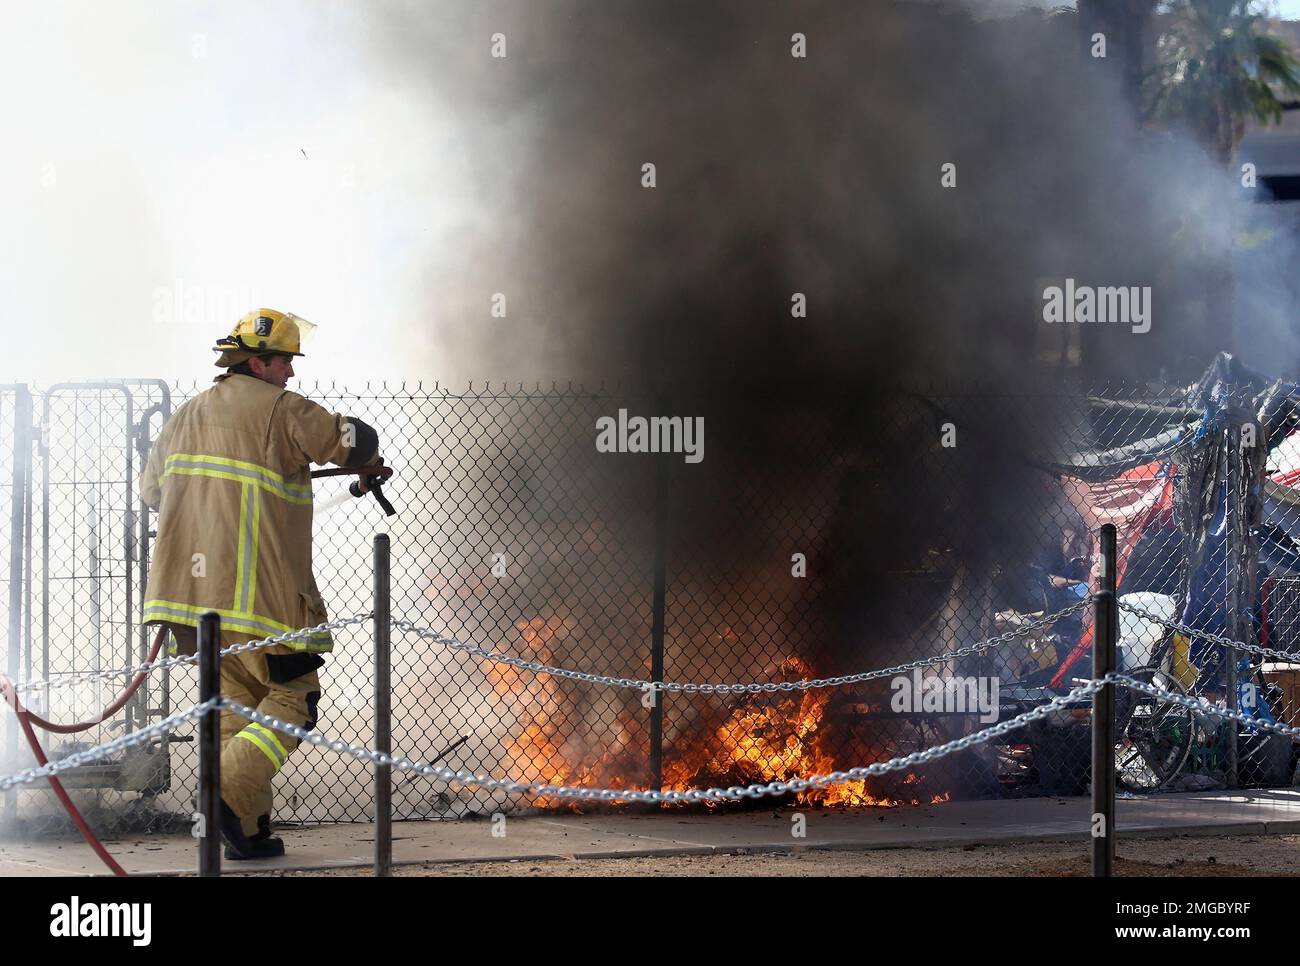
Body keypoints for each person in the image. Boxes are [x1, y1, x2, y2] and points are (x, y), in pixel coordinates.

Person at [140, 309, 380, 859]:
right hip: (259, 601)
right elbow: (351, 443)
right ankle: (223, 790)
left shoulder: (183, 417)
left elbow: (153, 492)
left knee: (232, 707)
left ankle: (246, 834)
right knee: (295, 698)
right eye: (284, 363)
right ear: (257, 362)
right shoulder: (281, 410)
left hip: (185, 602)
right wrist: (365, 451)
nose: (291, 374)